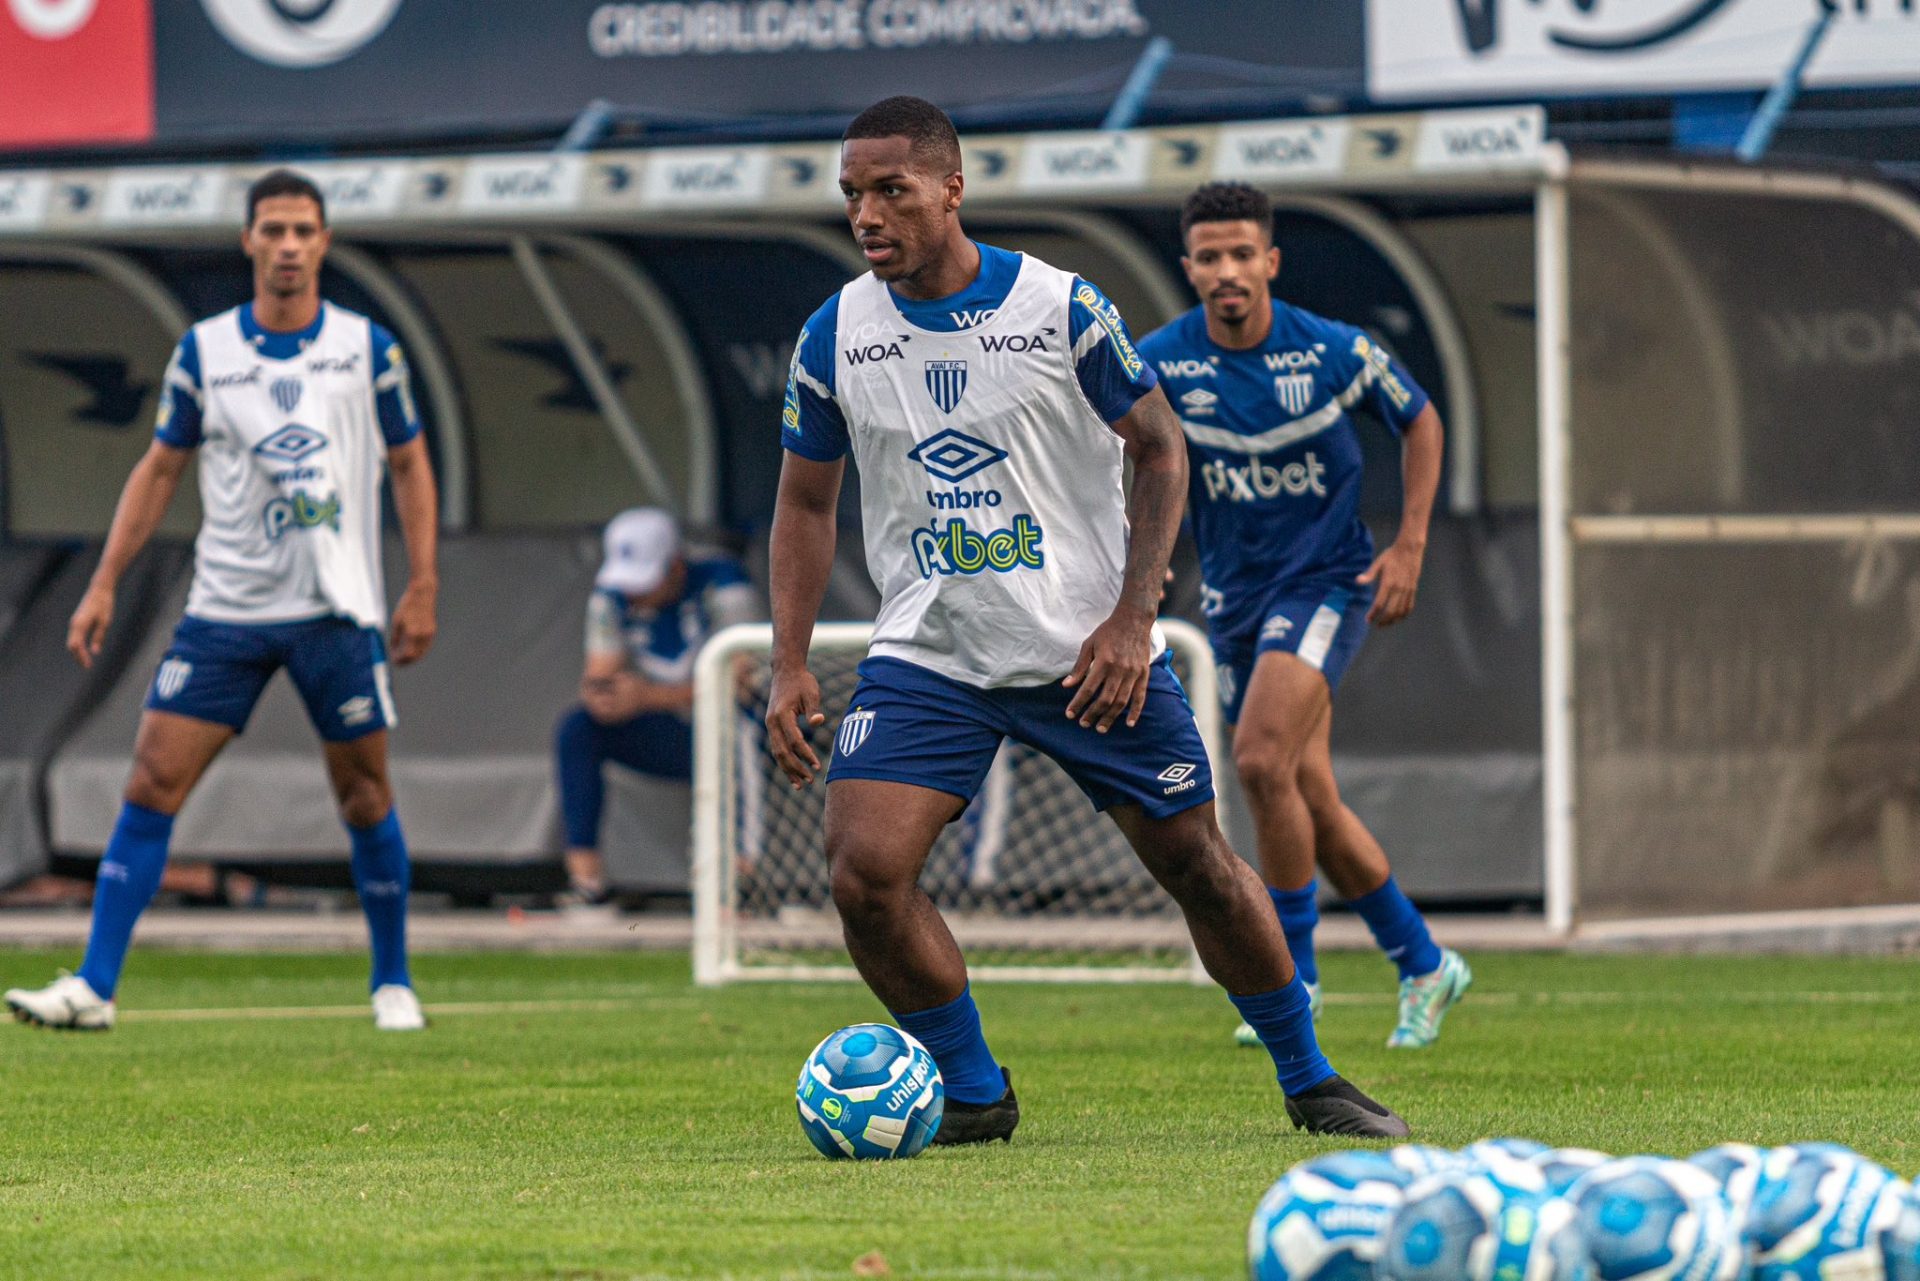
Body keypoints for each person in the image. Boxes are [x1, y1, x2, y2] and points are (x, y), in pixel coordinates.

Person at [766, 97, 1409, 1141]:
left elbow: (1160, 448)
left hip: (1085, 653)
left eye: (892, 191)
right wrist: (791, 659)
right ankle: (975, 1094)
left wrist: (1129, 617)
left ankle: (1310, 1077)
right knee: (863, 873)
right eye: (852, 195)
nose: (868, 214)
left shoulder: (1060, 307)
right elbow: (804, 504)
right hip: (931, 656)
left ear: (952, 189)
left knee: (1195, 863)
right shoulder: (834, 334)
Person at [4, 169, 439, 1032]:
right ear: (247, 241)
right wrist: (101, 585)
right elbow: (160, 467)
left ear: (323, 242)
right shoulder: (205, 352)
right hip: (227, 610)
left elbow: (409, 463)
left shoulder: (368, 349)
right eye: (272, 230)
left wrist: (422, 582)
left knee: (364, 794)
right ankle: (94, 986)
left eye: (302, 231)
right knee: (152, 779)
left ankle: (393, 981)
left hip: (334, 610)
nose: (287, 246)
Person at [1137, 182, 1471, 1051]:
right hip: (1236, 599)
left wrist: (1410, 545)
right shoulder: (1164, 360)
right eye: (1209, 257)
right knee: (1304, 792)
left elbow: (1421, 420)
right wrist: (1141, 548)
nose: (1227, 271)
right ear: (1190, 269)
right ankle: (1425, 961)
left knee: (1256, 760)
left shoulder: (1328, 351)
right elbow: (1120, 448)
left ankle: (1297, 978)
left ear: (1270, 262)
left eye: (1242, 253)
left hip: (1324, 581)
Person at [555, 507, 757, 906]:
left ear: (676, 567)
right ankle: (586, 883)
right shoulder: (610, 597)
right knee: (577, 729)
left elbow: (745, 679)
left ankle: (744, 877)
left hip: (738, 725)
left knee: (742, 726)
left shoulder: (724, 583)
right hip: (674, 730)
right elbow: (599, 678)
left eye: (644, 582)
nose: (635, 593)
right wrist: (604, 697)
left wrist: (648, 696)